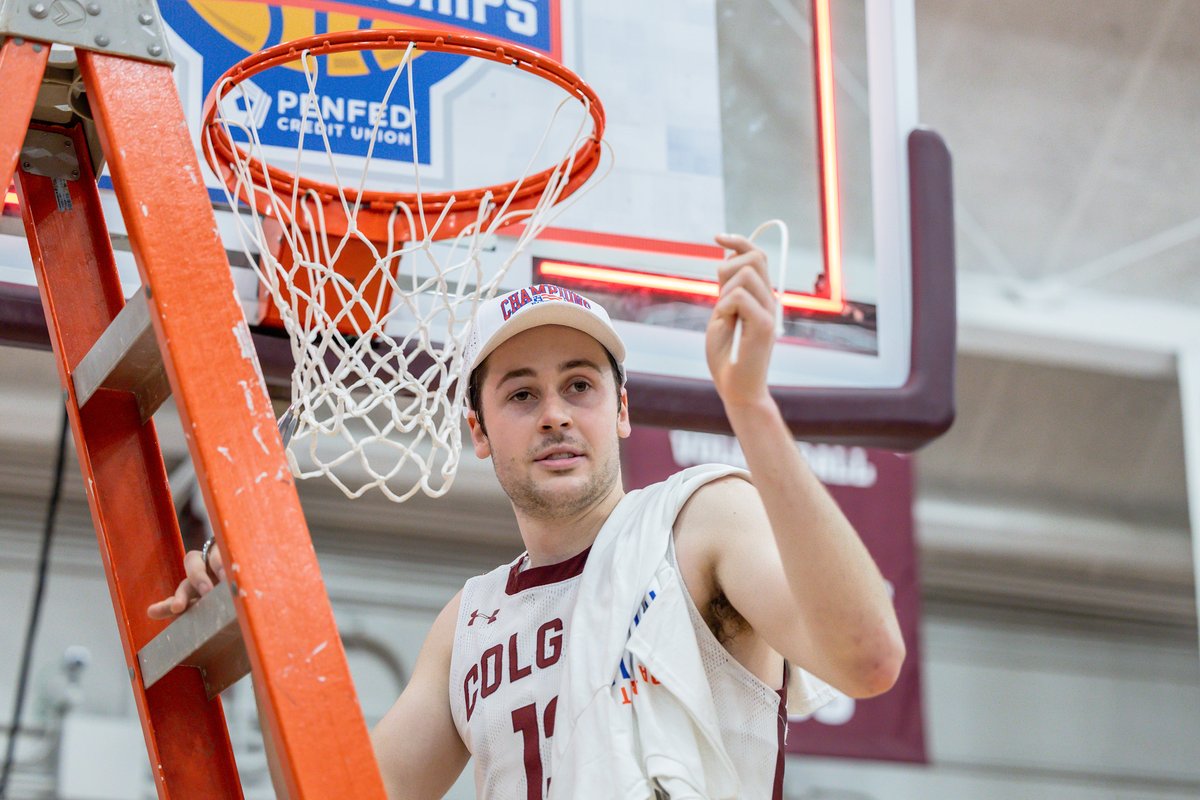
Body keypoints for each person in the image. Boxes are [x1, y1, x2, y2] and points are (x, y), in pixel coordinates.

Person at [148, 234, 904, 799]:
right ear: (477, 431)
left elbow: (868, 659)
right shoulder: (468, 623)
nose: (554, 415)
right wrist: (248, 643)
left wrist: (751, 406)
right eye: (520, 394)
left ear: (621, 411)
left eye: (580, 386)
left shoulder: (698, 521)